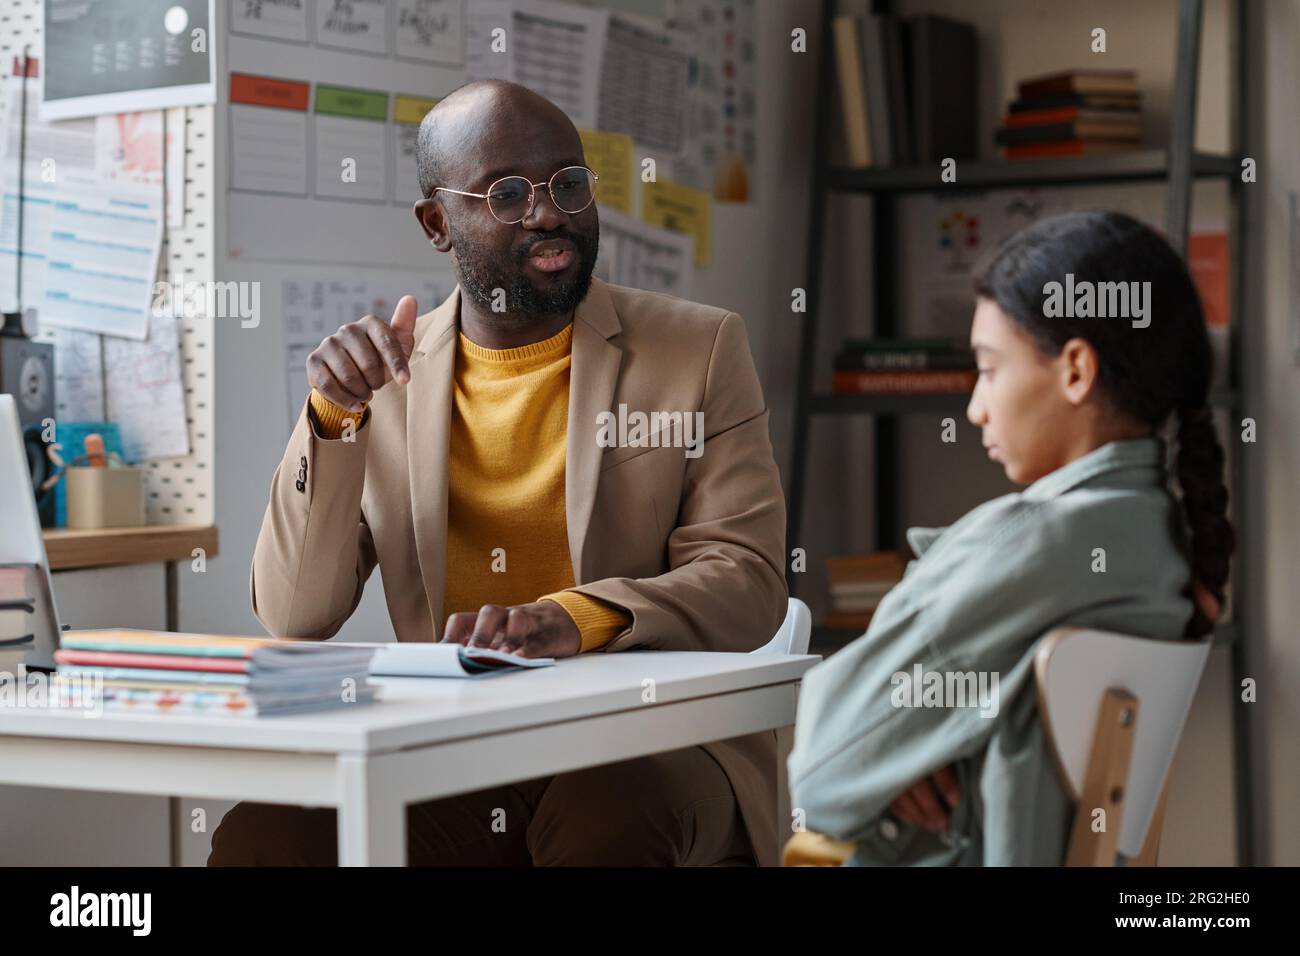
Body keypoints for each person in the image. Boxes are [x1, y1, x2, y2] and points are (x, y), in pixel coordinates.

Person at [209, 80, 787, 866]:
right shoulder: (384, 377)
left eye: (568, 184)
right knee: (266, 838)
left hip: (653, 741)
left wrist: (576, 619)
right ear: (438, 224)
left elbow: (748, 582)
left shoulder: (700, 349)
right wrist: (333, 419)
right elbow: (294, 616)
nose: (548, 213)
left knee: (603, 823)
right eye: (507, 193)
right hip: (460, 749)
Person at [787, 210, 1234, 865]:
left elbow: (820, 777)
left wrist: (890, 754)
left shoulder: (1031, 545)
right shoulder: (1161, 535)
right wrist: (915, 746)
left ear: (1076, 370)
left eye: (990, 369)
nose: (975, 406)